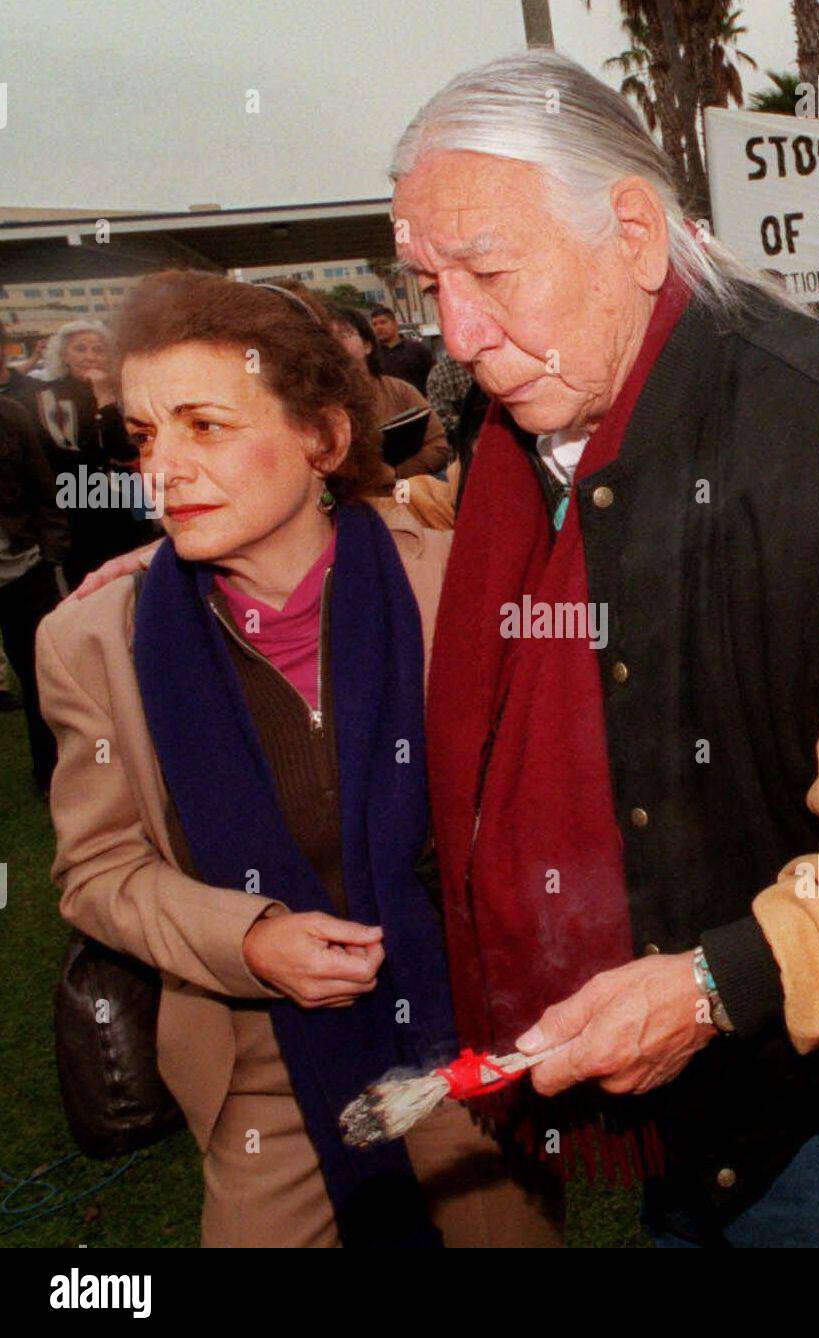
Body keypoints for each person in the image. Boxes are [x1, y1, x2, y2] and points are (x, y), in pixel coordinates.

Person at [389, 50, 819, 1248]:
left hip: (806, 1126)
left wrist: (716, 986)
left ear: (634, 231)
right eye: (422, 280)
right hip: (667, 1104)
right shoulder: (533, 428)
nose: (456, 331)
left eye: (491, 270)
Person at [37, 271, 562, 1249]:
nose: (166, 471)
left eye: (207, 426)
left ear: (322, 438)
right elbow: (97, 871)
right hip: (260, 1073)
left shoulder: (456, 576)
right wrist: (246, 937)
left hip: (473, 1038)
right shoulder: (94, 642)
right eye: (146, 438)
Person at [28, 320, 152, 584]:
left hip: (128, 500)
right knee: (87, 584)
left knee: (135, 580)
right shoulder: (44, 395)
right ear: (64, 354)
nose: (90, 357)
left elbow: (127, 449)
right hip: (76, 502)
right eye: (80, 349)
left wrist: (105, 396)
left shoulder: (125, 391)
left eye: (98, 350)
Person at [0, 397, 68, 792]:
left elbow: (44, 487)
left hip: (24, 567)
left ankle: (51, 772)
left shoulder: (12, 414)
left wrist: (51, 548)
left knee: (40, 671)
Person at [328, 304, 449, 479]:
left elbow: (438, 446)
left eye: (343, 334)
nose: (336, 343)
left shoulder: (401, 390)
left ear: (367, 345)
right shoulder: (319, 405)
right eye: (329, 338)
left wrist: (397, 473)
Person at [368, 305, 435, 393]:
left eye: (383, 322)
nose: (378, 327)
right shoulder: (371, 355)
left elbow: (433, 377)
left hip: (418, 403)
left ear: (395, 324)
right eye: (374, 324)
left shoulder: (417, 349)